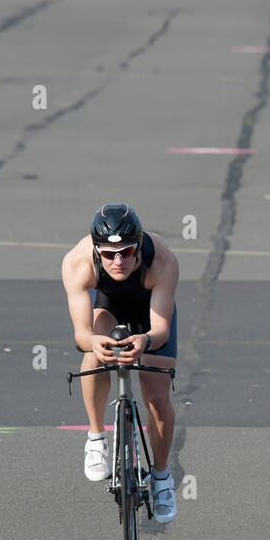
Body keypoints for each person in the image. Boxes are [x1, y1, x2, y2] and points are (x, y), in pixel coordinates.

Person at [61, 203, 179, 521]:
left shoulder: (162, 260)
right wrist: (94, 342)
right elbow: (82, 334)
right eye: (109, 254)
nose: (118, 261)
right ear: (96, 251)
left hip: (149, 312)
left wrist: (146, 340)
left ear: (138, 247)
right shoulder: (77, 262)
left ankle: (161, 477)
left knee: (156, 396)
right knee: (94, 354)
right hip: (109, 306)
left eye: (126, 252)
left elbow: (161, 330)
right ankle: (96, 437)